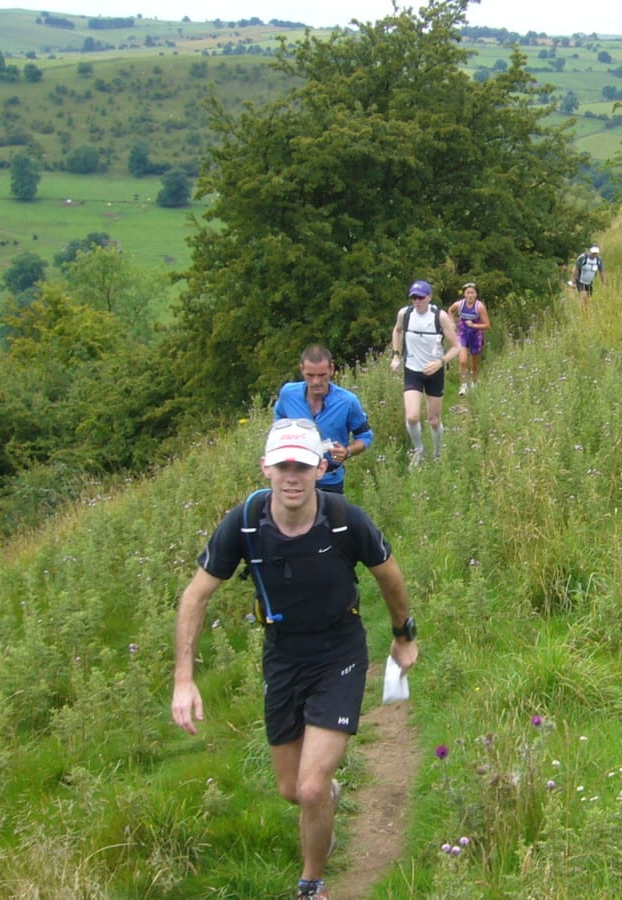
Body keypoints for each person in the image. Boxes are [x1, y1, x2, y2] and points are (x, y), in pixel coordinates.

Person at [171, 418, 420, 900]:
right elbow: (194, 597)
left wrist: (402, 635)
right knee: (292, 790)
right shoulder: (244, 524)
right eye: (283, 465)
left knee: (309, 788)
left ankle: (311, 884)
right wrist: (184, 679)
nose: (291, 476)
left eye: (302, 466)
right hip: (282, 656)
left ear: (320, 468)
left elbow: (388, 575)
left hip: (339, 652)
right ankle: (326, 799)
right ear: (265, 466)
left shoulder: (345, 519)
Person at [273, 345, 374, 494]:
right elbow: (278, 424)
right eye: (310, 375)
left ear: (331, 369)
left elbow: (365, 435)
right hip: (293, 478)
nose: (316, 381)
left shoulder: (347, 402)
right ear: (301, 369)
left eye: (322, 375)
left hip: (329, 480)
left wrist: (347, 451)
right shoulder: (288, 394)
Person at [389, 280, 461, 463]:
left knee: (434, 420)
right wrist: (395, 355)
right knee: (412, 417)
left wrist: (440, 362)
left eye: (420, 297)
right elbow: (397, 331)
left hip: (434, 373)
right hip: (412, 370)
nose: (417, 301)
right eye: (414, 297)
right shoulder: (405, 314)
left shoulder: (439, 317)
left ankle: (437, 453)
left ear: (429, 297)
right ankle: (419, 450)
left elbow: (456, 347)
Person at [447, 282, 491, 396]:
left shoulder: (479, 307)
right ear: (464, 294)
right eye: (468, 293)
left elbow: (487, 325)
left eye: (472, 293)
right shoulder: (459, 304)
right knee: (462, 361)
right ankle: (463, 386)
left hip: (476, 335)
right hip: (462, 334)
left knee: (474, 364)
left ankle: (474, 384)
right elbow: (450, 311)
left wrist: (474, 325)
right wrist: (452, 323)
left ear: (476, 294)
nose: (470, 295)